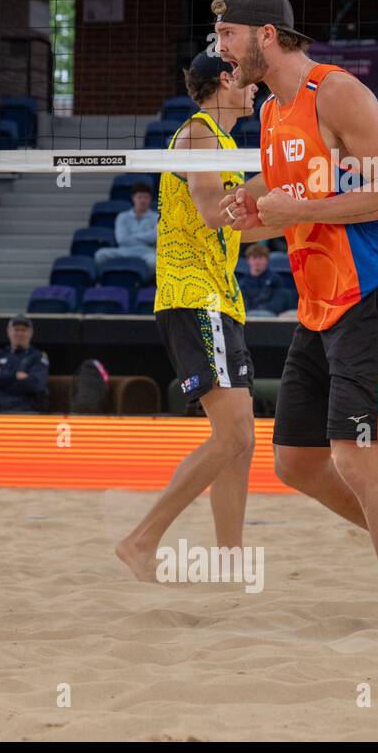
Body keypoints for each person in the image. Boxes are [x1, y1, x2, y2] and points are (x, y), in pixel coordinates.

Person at [217, 0, 378, 630]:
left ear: (265, 34)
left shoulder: (338, 91)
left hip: (374, 292)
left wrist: (295, 209)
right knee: (296, 461)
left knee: (356, 457)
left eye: (227, 37)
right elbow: (284, 198)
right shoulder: (272, 111)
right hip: (320, 302)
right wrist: (244, 210)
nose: (220, 51)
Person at [117, 50, 257, 578]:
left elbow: (238, 224)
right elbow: (209, 210)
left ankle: (229, 559)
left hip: (222, 297)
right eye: (246, 80)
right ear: (225, 80)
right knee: (234, 434)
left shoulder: (225, 144)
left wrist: (303, 212)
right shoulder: (199, 134)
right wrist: (279, 180)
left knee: (240, 440)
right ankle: (141, 540)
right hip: (192, 295)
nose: (256, 90)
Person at [0, 315, 49, 413]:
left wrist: (1, 375)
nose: (20, 333)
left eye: (24, 330)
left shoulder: (38, 356)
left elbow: (37, 384)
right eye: (16, 330)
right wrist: (16, 376)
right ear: (8, 331)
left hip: (25, 408)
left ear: (31, 333)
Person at [94, 184, 158, 274]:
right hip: (124, 250)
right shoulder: (122, 216)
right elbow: (121, 240)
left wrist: (132, 237)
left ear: (150, 199)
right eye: (140, 197)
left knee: (154, 261)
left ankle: (146, 284)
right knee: (101, 254)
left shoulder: (156, 217)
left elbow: (155, 237)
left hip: (147, 252)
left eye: (146, 197)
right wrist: (146, 238)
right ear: (133, 198)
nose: (143, 200)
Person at [237, 242, 285, 313]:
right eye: (254, 258)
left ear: (267, 260)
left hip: (271, 318)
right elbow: (242, 305)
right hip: (249, 318)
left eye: (261, 258)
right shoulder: (242, 283)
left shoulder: (275, 279)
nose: (257, 261)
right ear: (248, 260)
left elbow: (278, 302)